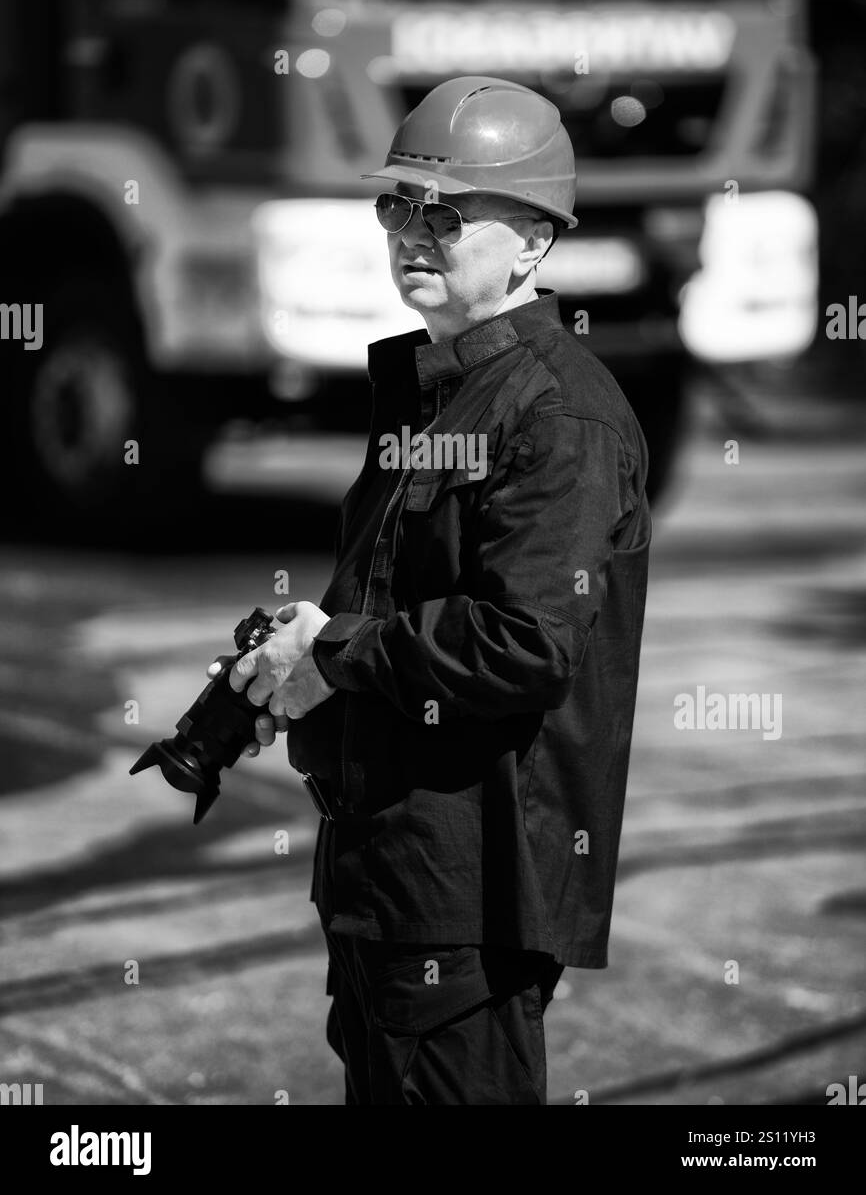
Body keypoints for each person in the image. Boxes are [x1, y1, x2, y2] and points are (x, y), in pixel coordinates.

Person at [220, 76, 651, 1105]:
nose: (415, 231)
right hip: (387, 879)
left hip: (469, 897)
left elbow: (523, 641)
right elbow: (387, 597)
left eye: (448, 211)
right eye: (397, 205)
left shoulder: (557, 418)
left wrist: (333, 654)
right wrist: (292, 649)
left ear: (534, 243)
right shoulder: (438, 389)